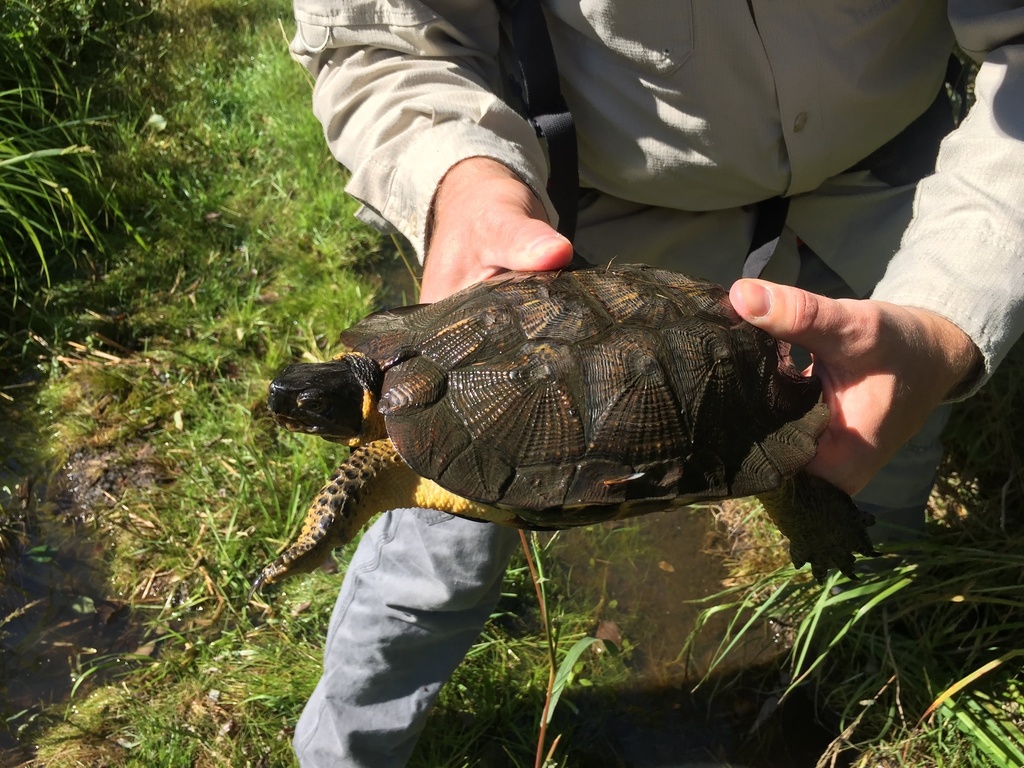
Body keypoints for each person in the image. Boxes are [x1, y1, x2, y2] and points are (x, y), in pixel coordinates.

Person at [286, 2, 1024, 765]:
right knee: (436, 554)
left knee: (870, 462)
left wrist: (946, 319)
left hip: (910, 183)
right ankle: (343, 750)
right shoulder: (393, 426)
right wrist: (463, 177)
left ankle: (869, 653)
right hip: (583, 220)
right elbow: (380, 38)